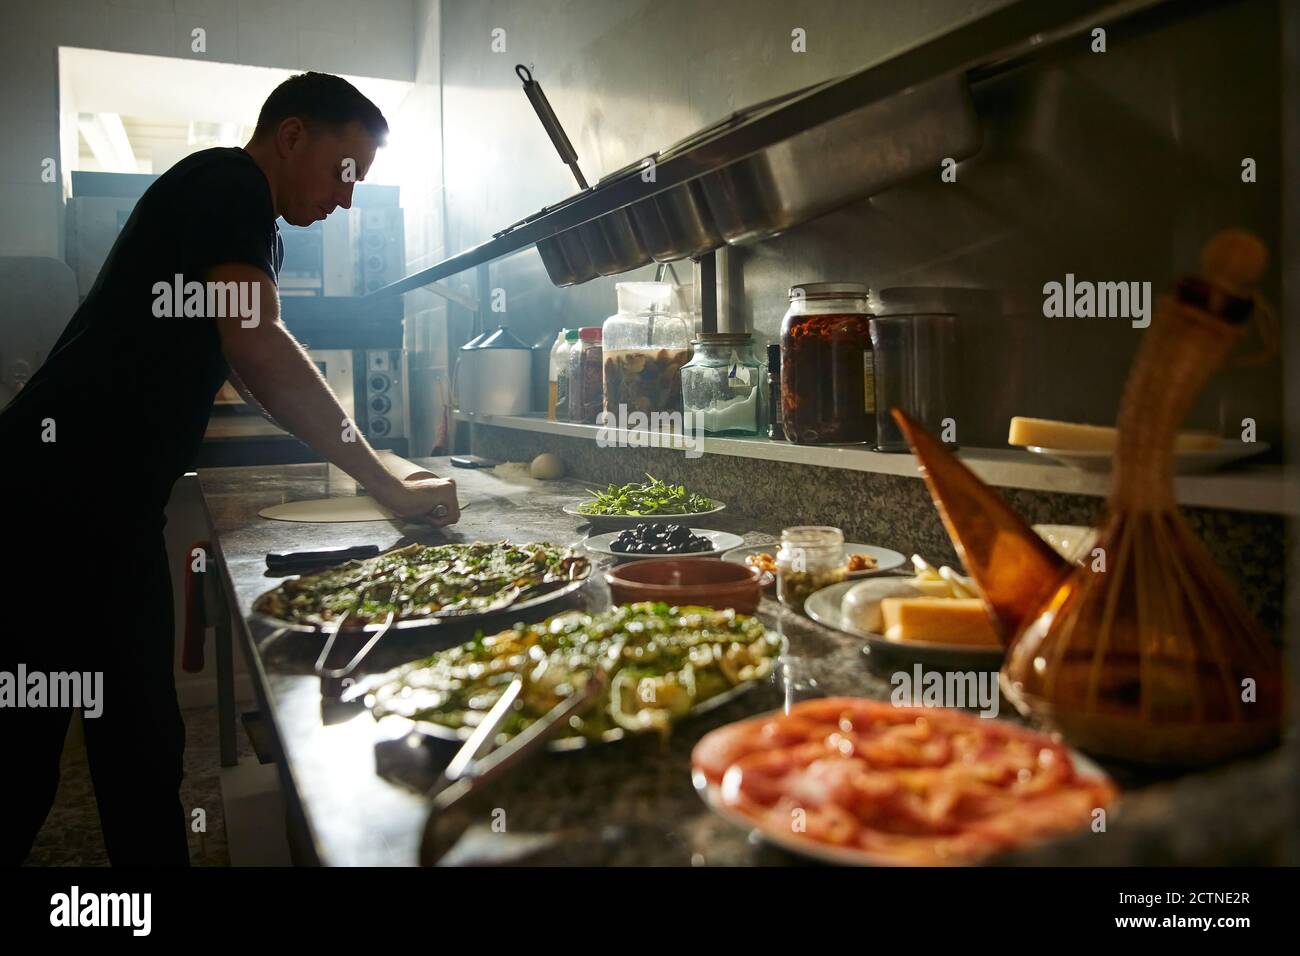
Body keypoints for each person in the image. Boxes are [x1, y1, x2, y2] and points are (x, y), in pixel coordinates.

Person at [0, 72, 459, 865]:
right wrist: (385, 482)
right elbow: (259, 347)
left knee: (142, 741)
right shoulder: (227, 183)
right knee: (19, 760)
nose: (347, 201)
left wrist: (374, 465)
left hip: (108, 513)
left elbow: (246, 360)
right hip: (46, 506)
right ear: (291, 136)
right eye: (344, 172)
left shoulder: (248, 220)